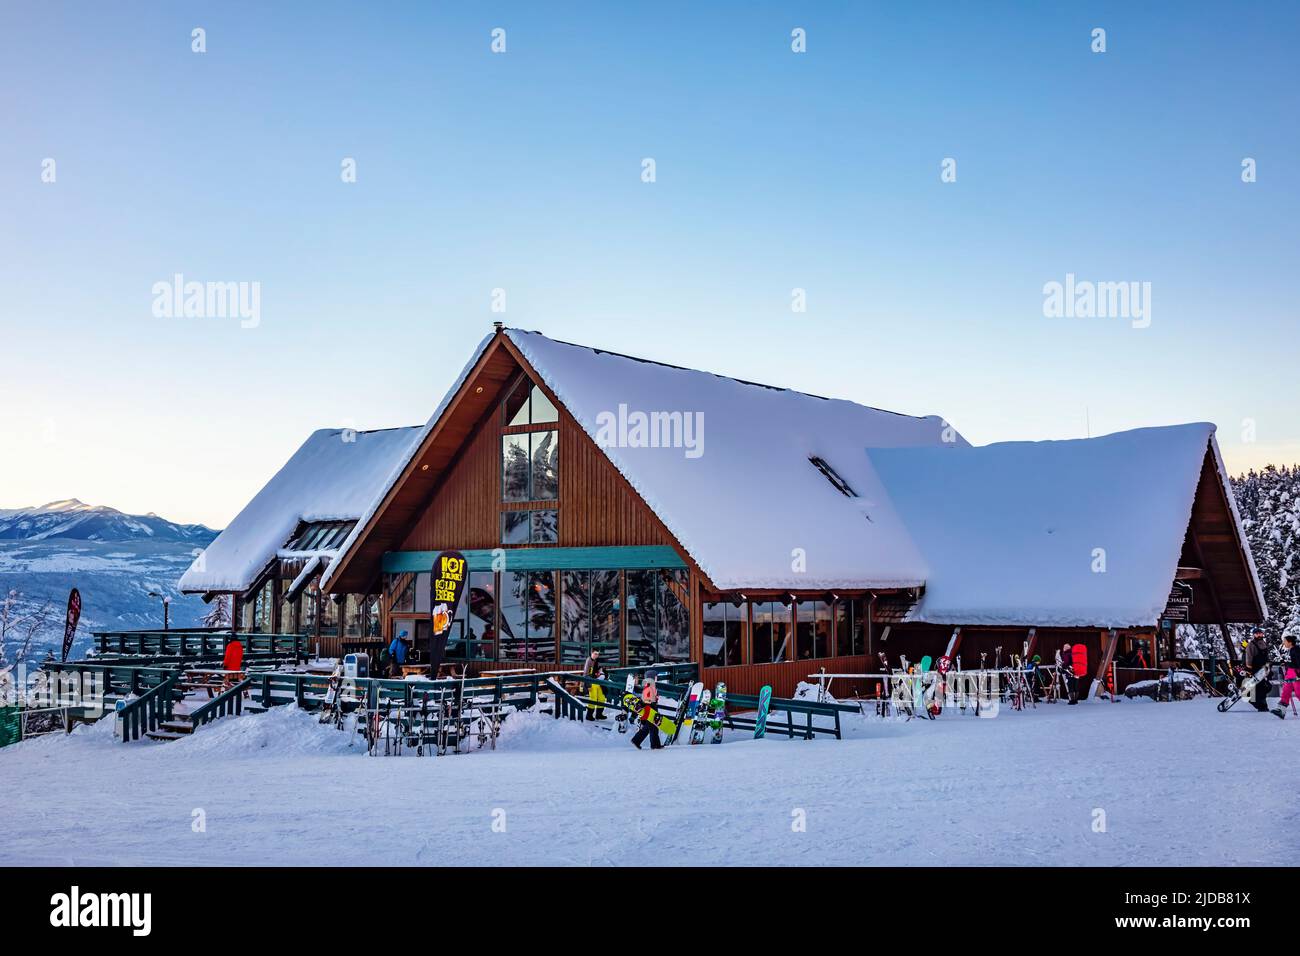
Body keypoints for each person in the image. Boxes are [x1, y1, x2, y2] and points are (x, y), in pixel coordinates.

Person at [1242, 627, 1272, 713]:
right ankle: (1261, 706)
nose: (1259, 635)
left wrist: (1268, 667)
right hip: (1255, 670)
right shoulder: (1251, 645)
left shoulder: (1264, 643)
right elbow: (1249, 658)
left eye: (1260, 633)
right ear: (1254, 635)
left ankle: (1262, 705)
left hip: (1264, 670)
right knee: (1259, 689)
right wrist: (1249, 670)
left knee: (1267, 687)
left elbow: (1266, 657)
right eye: (1257, 633)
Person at [630, 672, 663, 750]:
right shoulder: (649, 687)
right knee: (652, 727)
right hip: (650, 708)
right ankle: (638, 741)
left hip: (651, 707)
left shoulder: (651, 686)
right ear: (652, 678)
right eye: (655, 677)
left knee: (652, 727)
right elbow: (647, 700)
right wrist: (651, 708)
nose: (656, 678)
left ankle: (654, 744)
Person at [1271, 633, 1298, 719]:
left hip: (1296, 673)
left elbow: (1297, 663)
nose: (1284, 643)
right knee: (1286, 691)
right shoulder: (1290, 650)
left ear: (1290, 642)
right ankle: (1281, 710)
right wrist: (1285, 663)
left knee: (1299, 692)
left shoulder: (1296, 650)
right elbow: (1291, 662)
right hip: (1289, 673)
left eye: (1285, 641)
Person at [583, 649, 606, 721]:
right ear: (591, 653)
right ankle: (589, 715)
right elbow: (586, 674)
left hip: (598, 681)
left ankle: (599, 714)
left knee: (601, 698)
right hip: (591, 682)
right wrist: (588, 685)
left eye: (598, 654)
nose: (596, 655)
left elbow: (600, 670)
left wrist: (601, 672)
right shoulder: (589, 660)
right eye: (595, 653)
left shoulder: (597, 661)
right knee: (593, 699)